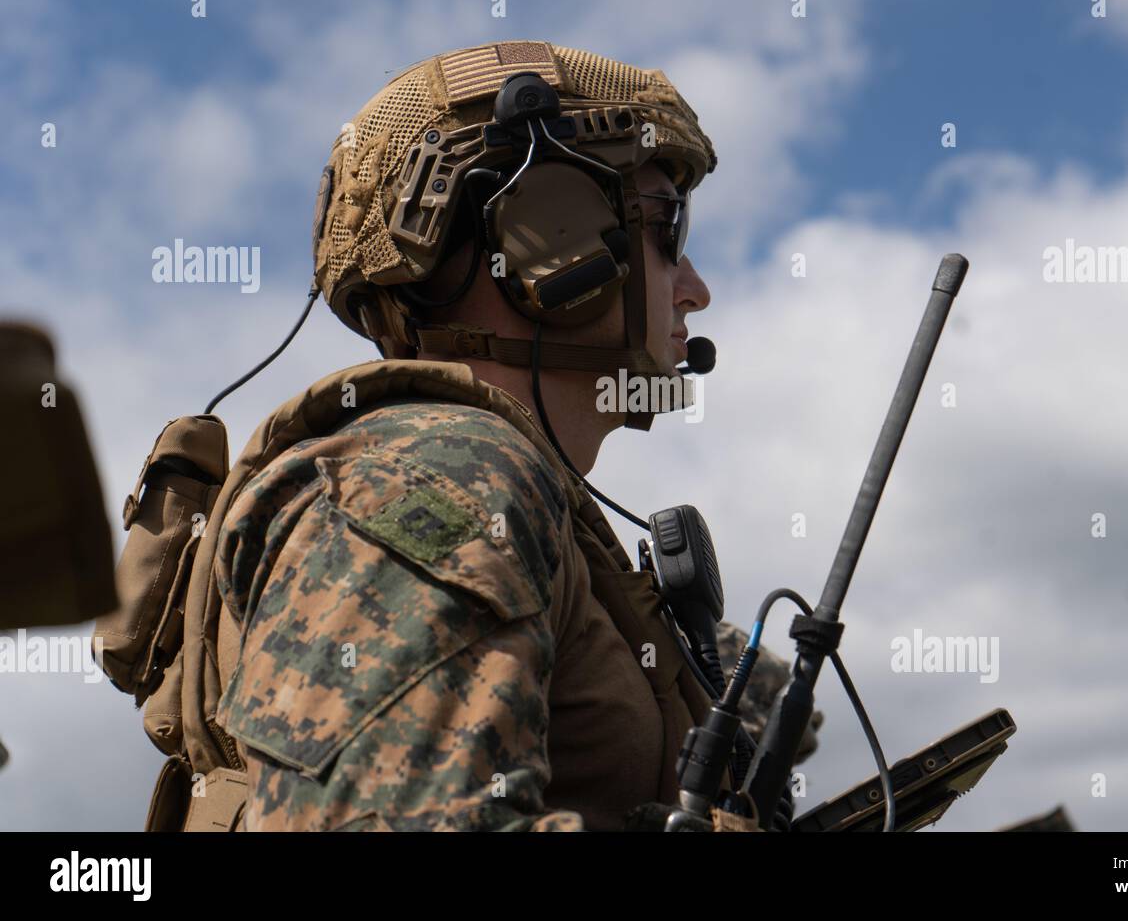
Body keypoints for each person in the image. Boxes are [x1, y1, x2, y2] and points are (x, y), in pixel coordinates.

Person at [208, 41, 820, 831]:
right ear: (550, 238)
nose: (696, 290)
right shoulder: (435, 476)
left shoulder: (516, 502)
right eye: (668, 226)